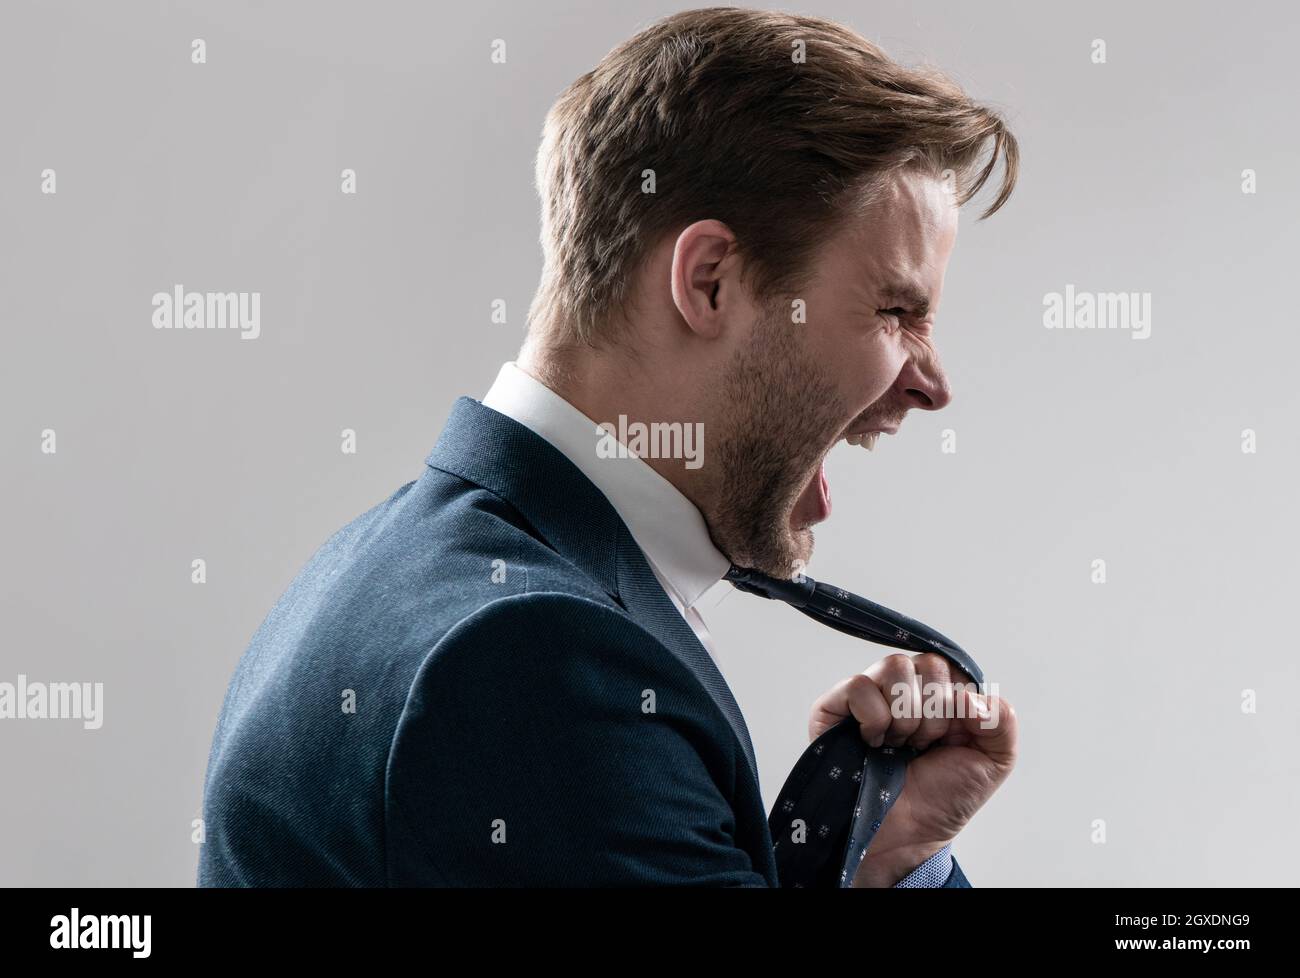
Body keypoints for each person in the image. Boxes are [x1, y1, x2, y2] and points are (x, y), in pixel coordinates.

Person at [199, 6, 1019, 887]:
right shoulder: (536, 662)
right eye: (896, 312)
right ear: (711, 283)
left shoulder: (387, 566)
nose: (931, 387)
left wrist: (879, 853)